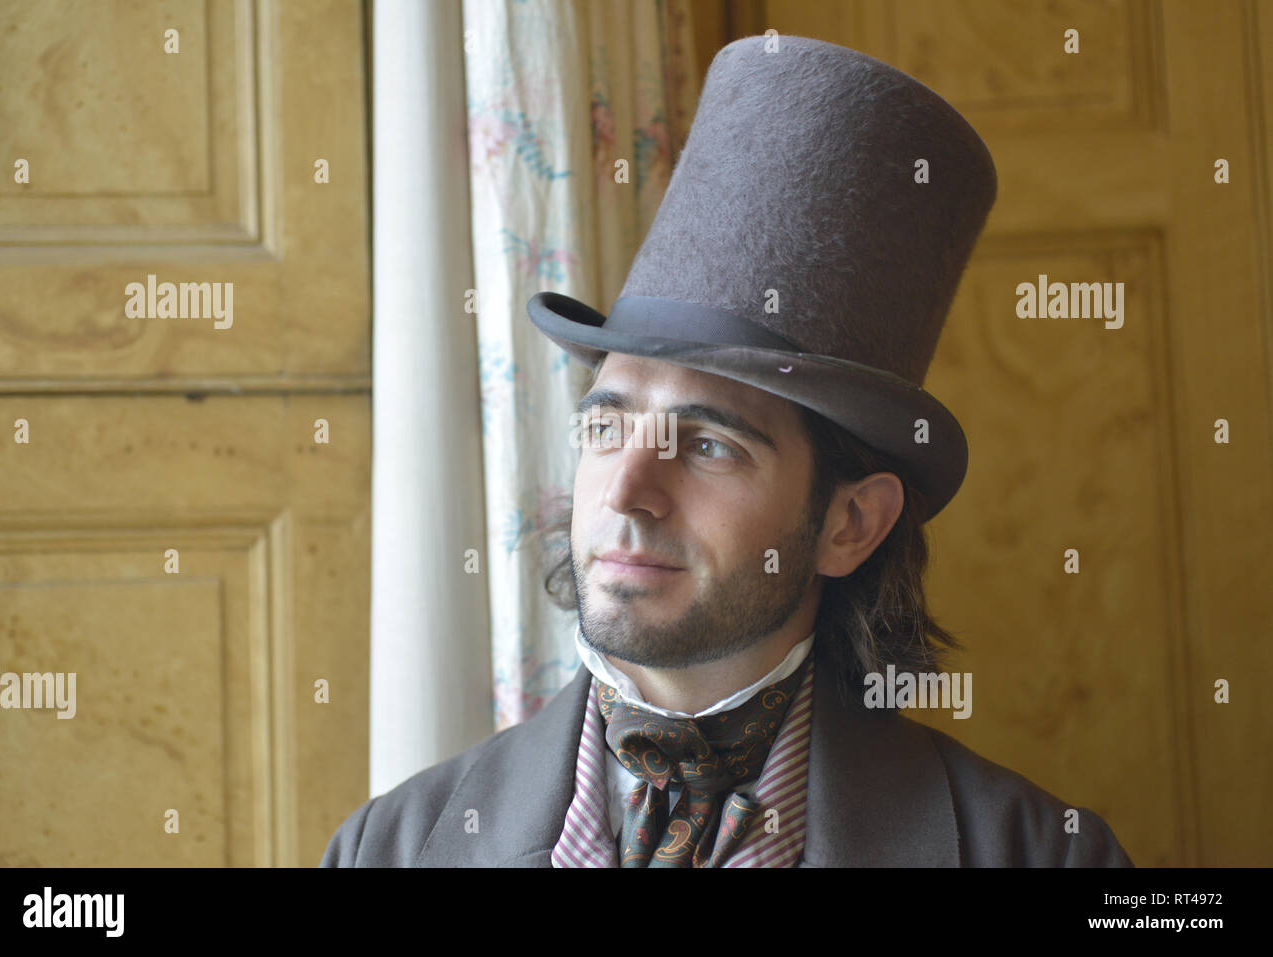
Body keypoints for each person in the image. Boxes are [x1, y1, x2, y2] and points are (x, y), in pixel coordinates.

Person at [321, 35, 1132, 868]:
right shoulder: (388, 848)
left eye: (708, 445)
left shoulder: (1043, 855)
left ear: (851, 522)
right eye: (606, 427)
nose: (627, 491)